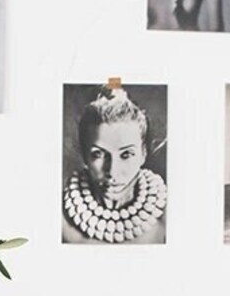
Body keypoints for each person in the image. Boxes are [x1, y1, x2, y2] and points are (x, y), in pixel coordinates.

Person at [62, 84, 167, 244]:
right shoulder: (60, 220)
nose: (112, 171)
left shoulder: (169, 220)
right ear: (84, 156)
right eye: (98, 154)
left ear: (143, 154)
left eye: (126, 154)